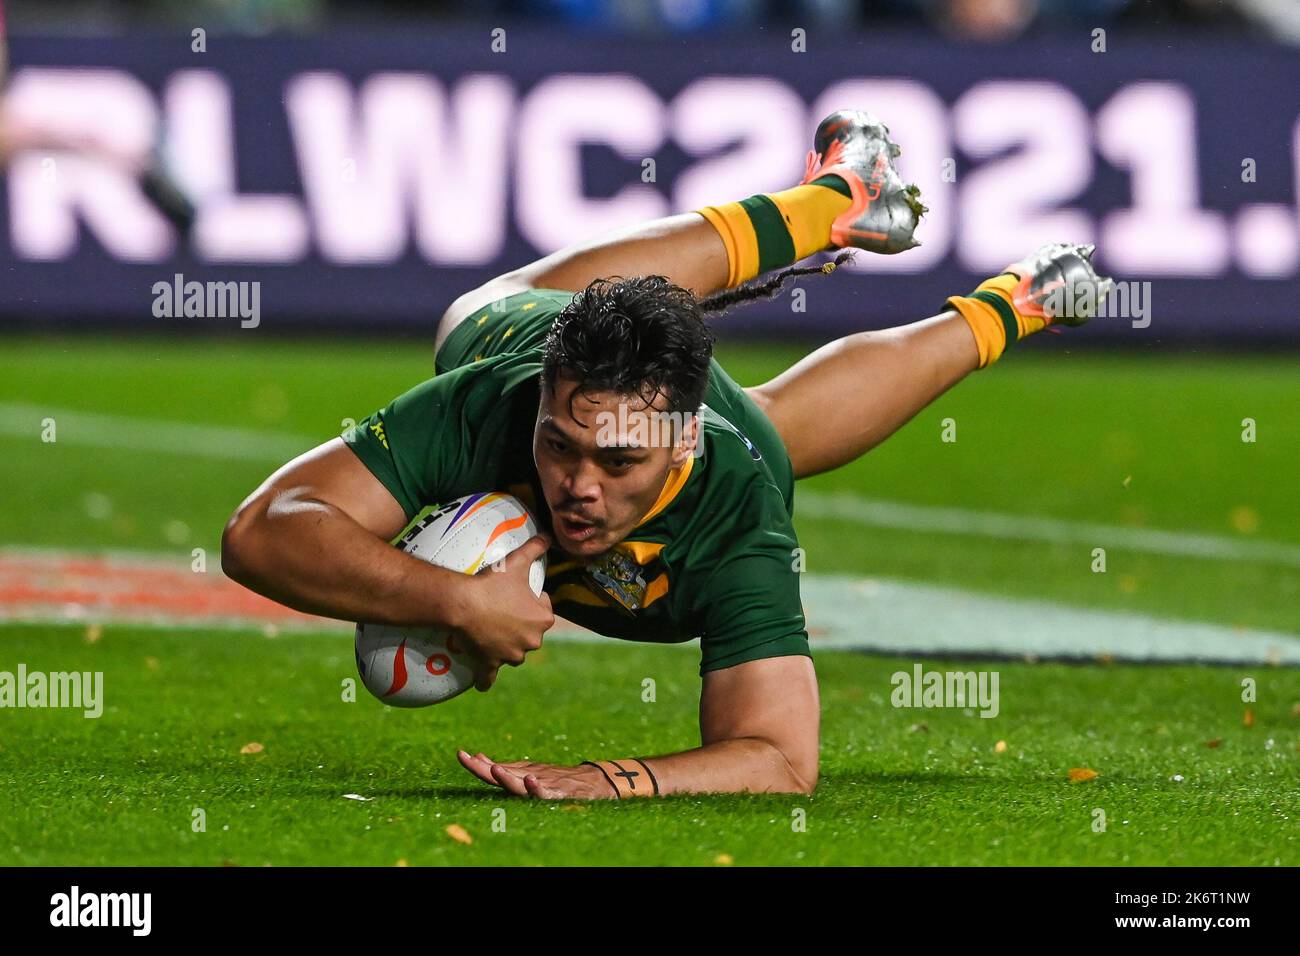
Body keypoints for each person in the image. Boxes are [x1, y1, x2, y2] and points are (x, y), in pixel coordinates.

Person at [221, 109, 1110, 800]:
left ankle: (1009, 299)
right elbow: (260, 532)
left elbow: (779, 759)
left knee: (771, 434)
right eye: (560, 447)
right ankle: (841, 201)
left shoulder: (737, 505)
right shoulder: (498, 398)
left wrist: (611, 779)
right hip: (524, 338)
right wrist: (453, 599)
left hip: (731, 445)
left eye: (617, 464)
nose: (575, 485)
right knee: (482, 317)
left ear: (683, 440)